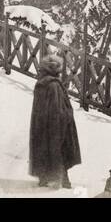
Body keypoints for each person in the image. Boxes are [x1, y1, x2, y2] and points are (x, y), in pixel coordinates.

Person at [29, 53, 81, 189]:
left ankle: (44, 178)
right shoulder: (54, 86)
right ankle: (64, 181)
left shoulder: (40, 84)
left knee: (43, 150)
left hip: (41, 126)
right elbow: (58, 109)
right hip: (56, 125)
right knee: (61, 151)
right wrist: (67, 117)